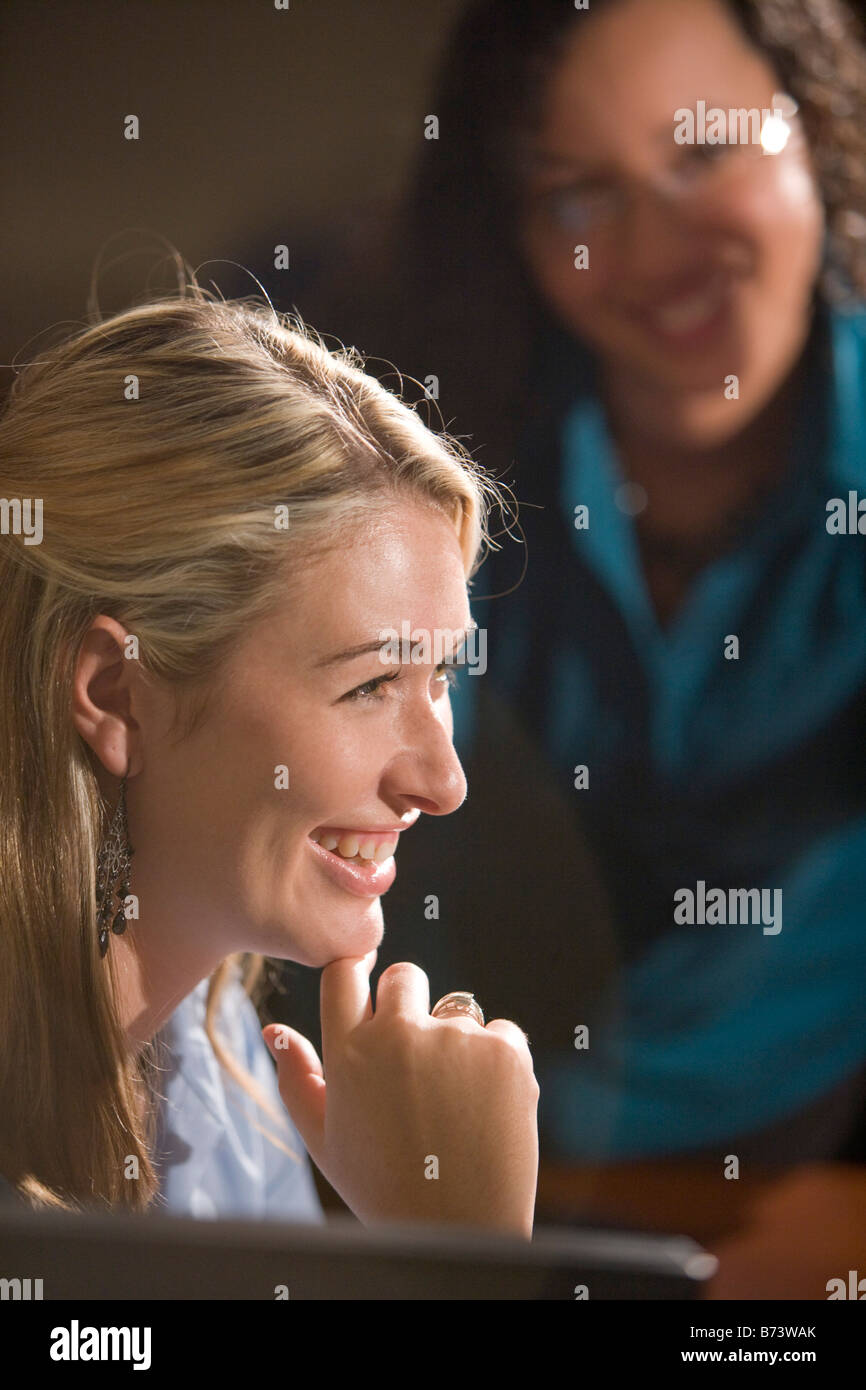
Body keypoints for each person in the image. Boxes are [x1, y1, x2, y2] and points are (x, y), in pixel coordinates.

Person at [300, 0, 866, 1193]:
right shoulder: (414, 447)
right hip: (390, 1159)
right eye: (578, 195)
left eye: (701, 153)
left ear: (818, 135)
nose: (656, 250)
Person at [0, 269, 539, 1236]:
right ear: (115, 696)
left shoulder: (219, 1068)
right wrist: (467, 1262)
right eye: (372, 684)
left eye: (443, 678)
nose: (442, 783)